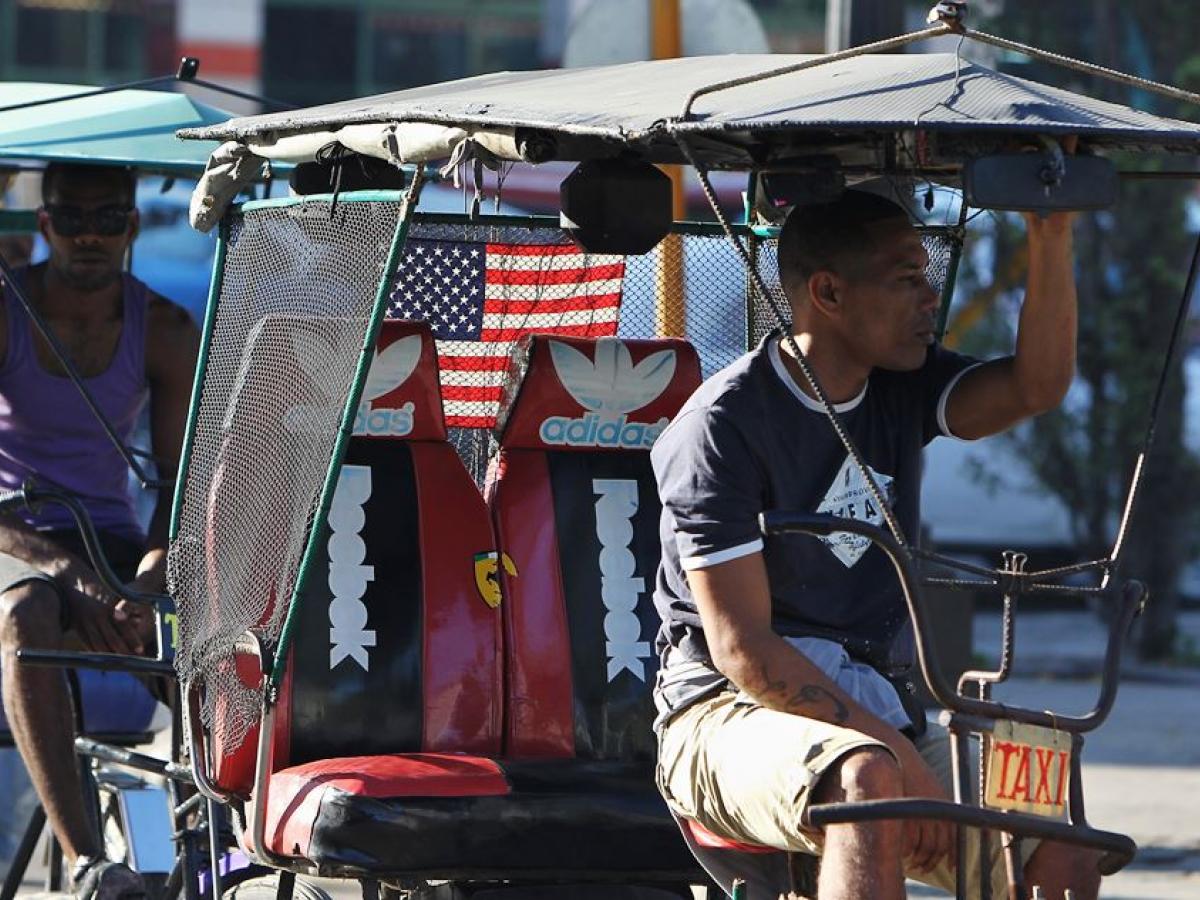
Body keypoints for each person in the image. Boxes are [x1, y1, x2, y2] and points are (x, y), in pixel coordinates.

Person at [650, 184, 1098, 899]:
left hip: (875, 709)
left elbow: (1036, 386)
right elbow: (743, 650)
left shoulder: (899, 387)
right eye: (907, 277)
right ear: (828, 292)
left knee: (1057, 840)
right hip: (723, 713)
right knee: (869, 786)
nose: (931, 297)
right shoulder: (721, 428)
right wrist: (893, 753)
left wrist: (1051, 234)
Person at [0, 163, 198, 899]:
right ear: (45, 224)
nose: (90, 236)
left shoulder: (165, 328)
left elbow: (181, 483)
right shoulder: (6, 310)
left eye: (107, 219)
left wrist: (153, 574)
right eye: (72, 219)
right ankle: (90, 862)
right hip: (15, 535)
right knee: (28, 612)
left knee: (208, 627)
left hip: (110, 539)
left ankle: (227, 835)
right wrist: (65, 573)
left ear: (131, 227)